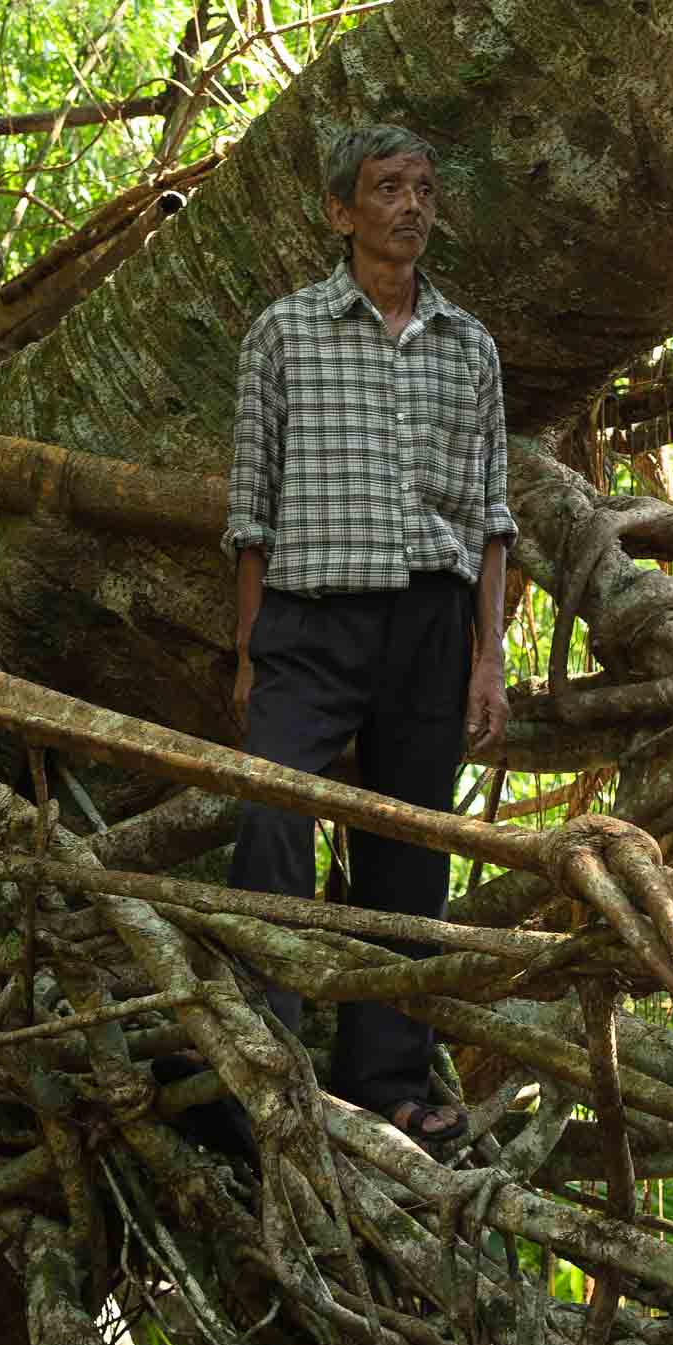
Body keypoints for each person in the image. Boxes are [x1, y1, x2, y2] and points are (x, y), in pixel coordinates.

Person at [222, 123, 513, 1146]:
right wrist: (254, 651)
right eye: (388, 188)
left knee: (409, 850)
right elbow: (249, 511)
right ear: (341, 212)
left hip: (430, 624)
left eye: (425, 188)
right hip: (312, 618)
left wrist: (489, 658)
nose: (411, 205)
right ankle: (261, 1059)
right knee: (271, 814)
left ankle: (384, 1079)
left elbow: (490, 516)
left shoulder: (467, 345)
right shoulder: (284, 335)